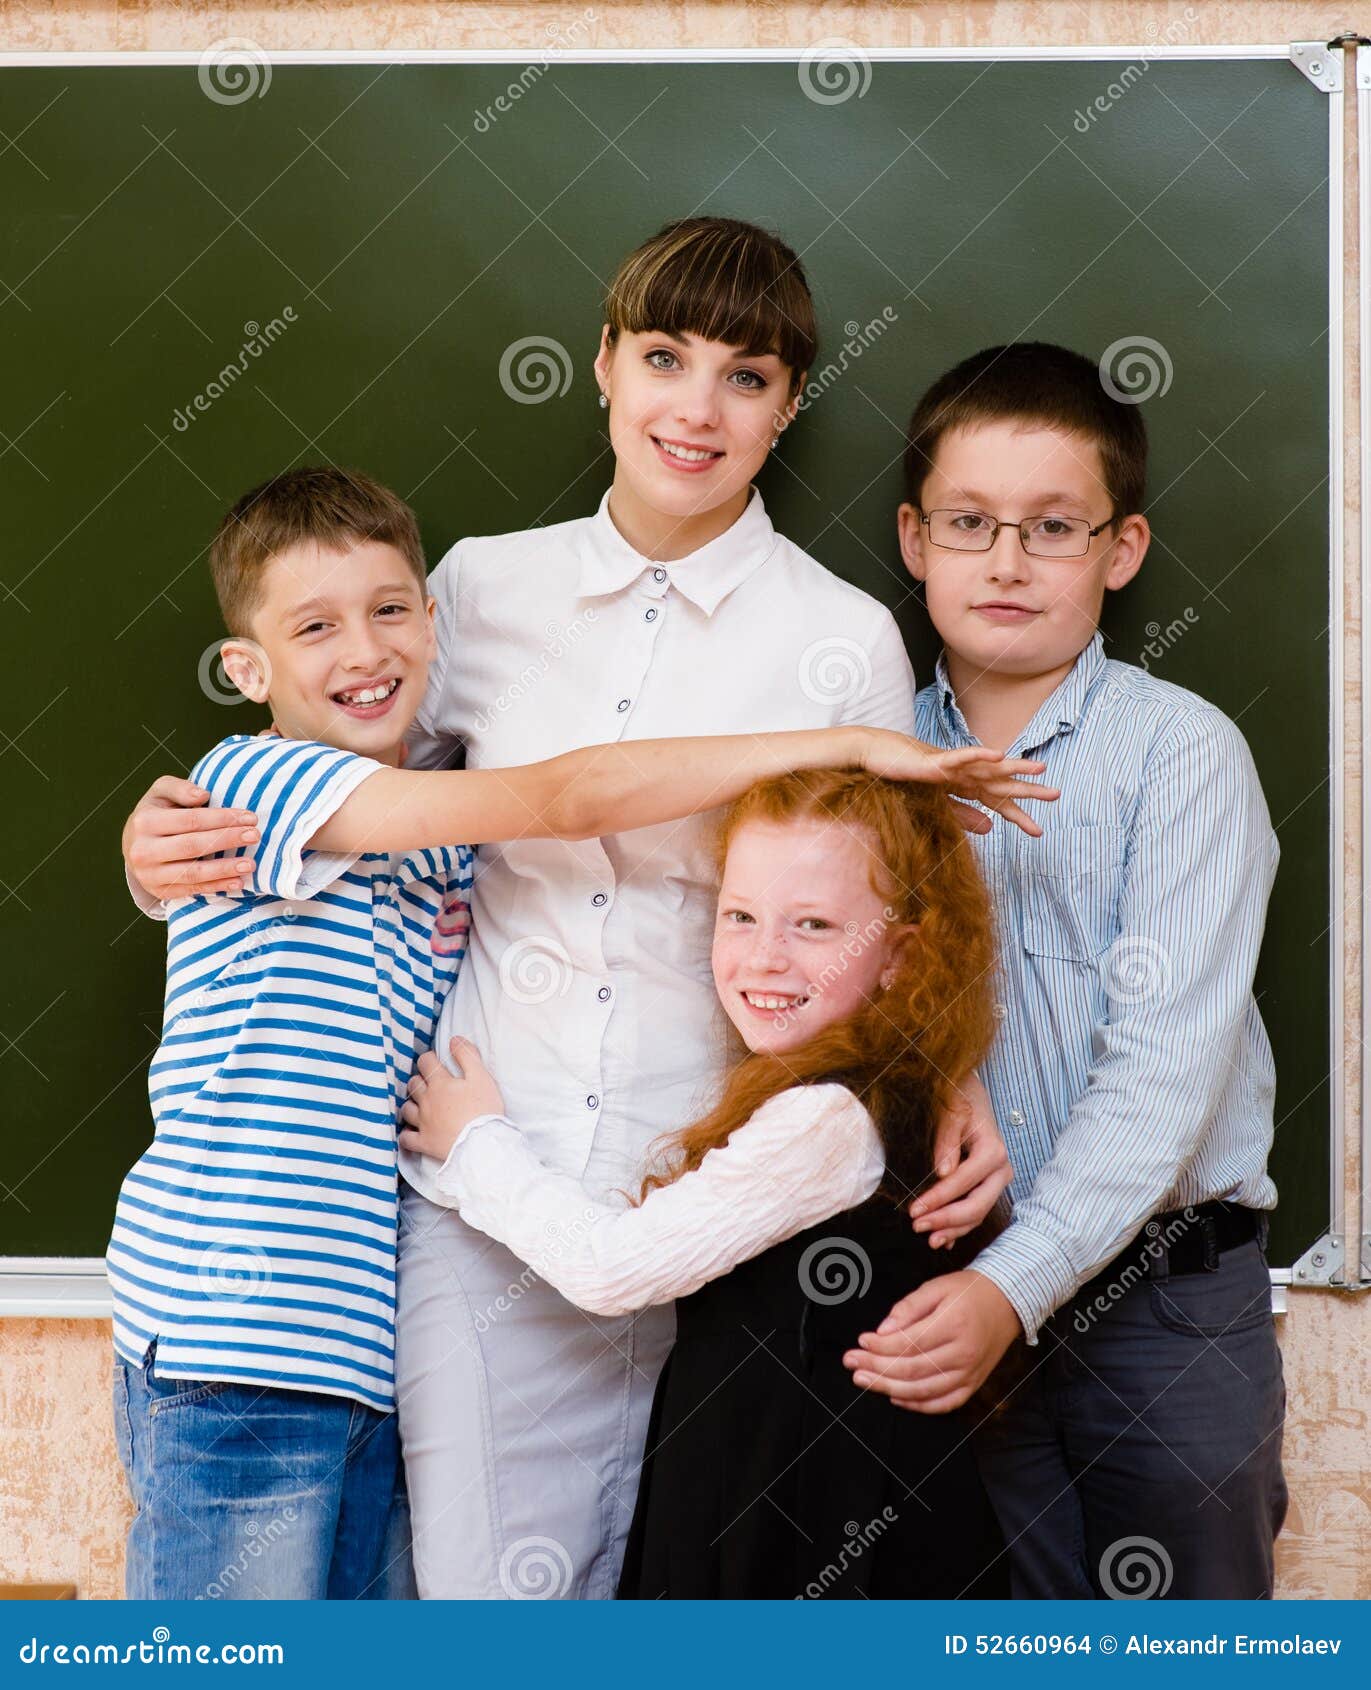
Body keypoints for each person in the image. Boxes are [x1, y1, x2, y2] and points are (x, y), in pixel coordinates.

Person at [118, 219, 1036, 1598]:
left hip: (710, 1198)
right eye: (662, 356)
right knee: (476, 1590)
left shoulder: (840, 636)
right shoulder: (476, 587)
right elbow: (386, 778)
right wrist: (162, 844)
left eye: (745, 375)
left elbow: (891, 899)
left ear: (788, 406)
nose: (695, 406)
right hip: (478, 1171)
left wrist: (952, 1068)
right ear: (602, 365)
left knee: (669, 1578)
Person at [844, 341, 1287, 1600]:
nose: (1006, 560)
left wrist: (1013, 1287)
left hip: (1165, 1303)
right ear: (914, 538)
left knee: (1190, 1645)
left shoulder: (1182, 755)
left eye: (1053, 527)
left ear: (1121, 550)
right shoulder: (865, 767)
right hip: (937, 1292)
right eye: (970, 522)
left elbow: (1164, 1073)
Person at [399, 769, 1010, 1599]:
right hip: (783, 1494)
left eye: (815, 926)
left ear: (901, 957)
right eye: (740, 917)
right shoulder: (859, 1089)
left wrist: (474, 1144)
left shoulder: (826, 1121)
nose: (765, 957)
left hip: (801, 1522)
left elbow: (609, 1270)